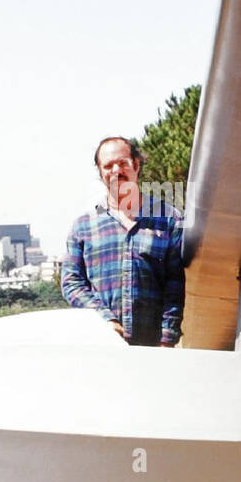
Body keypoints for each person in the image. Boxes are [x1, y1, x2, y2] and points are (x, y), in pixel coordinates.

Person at [61, 136, 184, 346]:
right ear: (101, 173)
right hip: (103, 348)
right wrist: (104, 319)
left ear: (135, 165)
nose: (116, 171)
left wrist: (167, 339)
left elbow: (176, 285)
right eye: (108, 166)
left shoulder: (169, 219)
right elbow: (71, 283)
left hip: (154, 349)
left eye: (123, 163)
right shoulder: (83, 226)